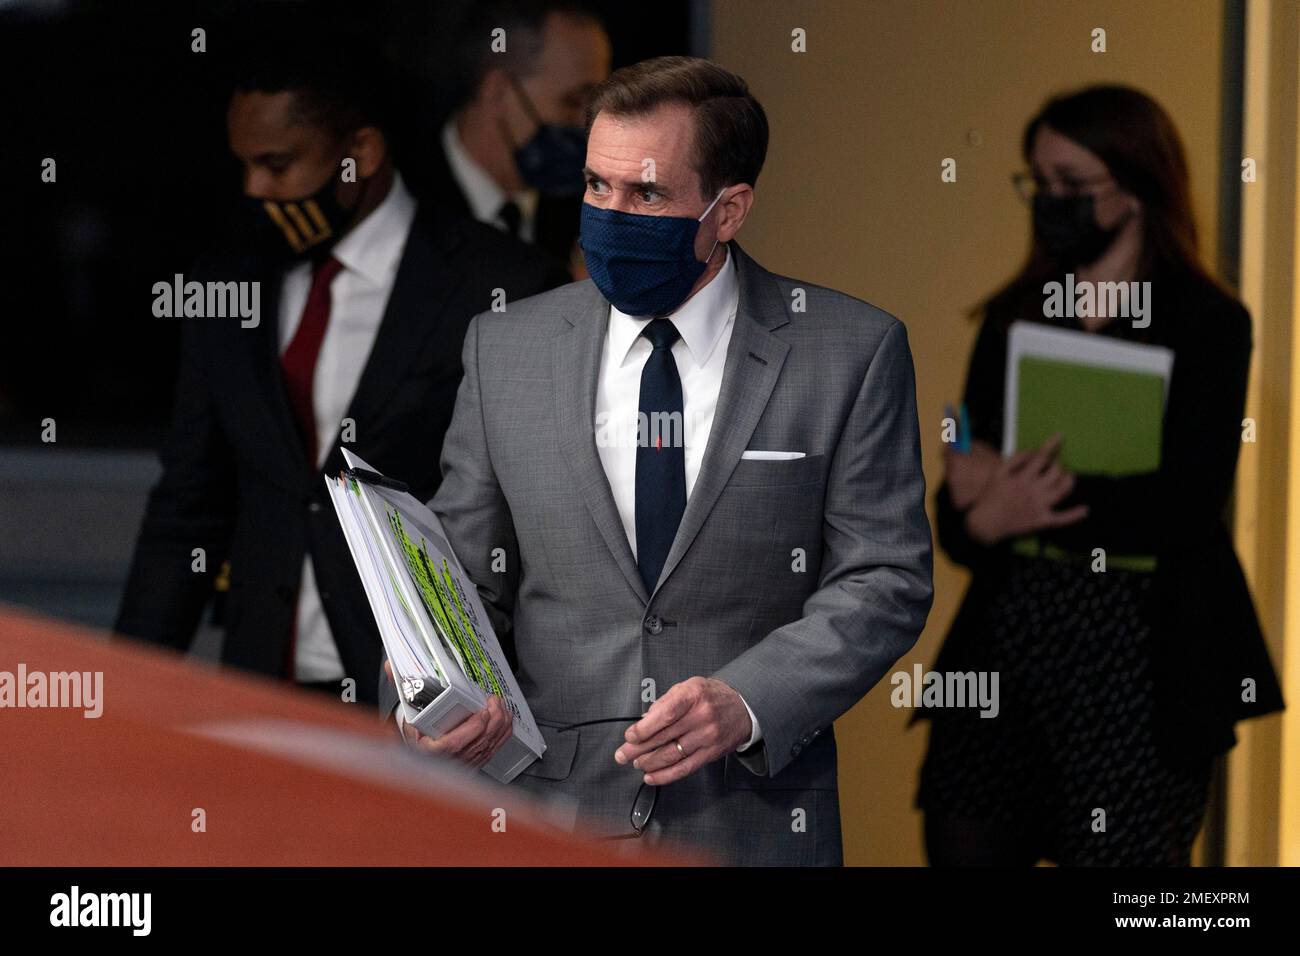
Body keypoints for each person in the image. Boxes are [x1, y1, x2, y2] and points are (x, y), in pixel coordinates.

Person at [381, 56, 934, 866]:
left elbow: (884, 577)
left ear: (729, 210)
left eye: (645, 195)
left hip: (752, 818)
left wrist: (748, 700)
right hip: (542, 817)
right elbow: (464, 575)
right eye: (597, 187)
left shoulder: (849, 350)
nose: (611, 214)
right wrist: (426, 699)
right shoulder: (506, 347)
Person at [114, 20, 568, 704]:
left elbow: (541, 524)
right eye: (244, 164)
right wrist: (126, 695)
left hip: (436, 705)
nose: (256, 190)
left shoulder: (502, 284)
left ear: (362, 150)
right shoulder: (227, 282)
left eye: (277, 164)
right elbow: (188, 507)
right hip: (262, 689)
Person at [915, 85, 1285, 866]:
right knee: (960, 827)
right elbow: (959, 519)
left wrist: (1028, 500)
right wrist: (984, 515)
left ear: (1139, 187)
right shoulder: (1016, 316)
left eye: (1074, 186)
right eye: (1039, 183)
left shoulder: (1208, 322)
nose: (1051, 202)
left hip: (1144, 662)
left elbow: (1184, 507)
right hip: (1009, 647)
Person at [415, 0, 611, 276]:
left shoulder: (592, 212)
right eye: (572, 101)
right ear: (498, 90)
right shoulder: (404, 202)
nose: (588, 125)